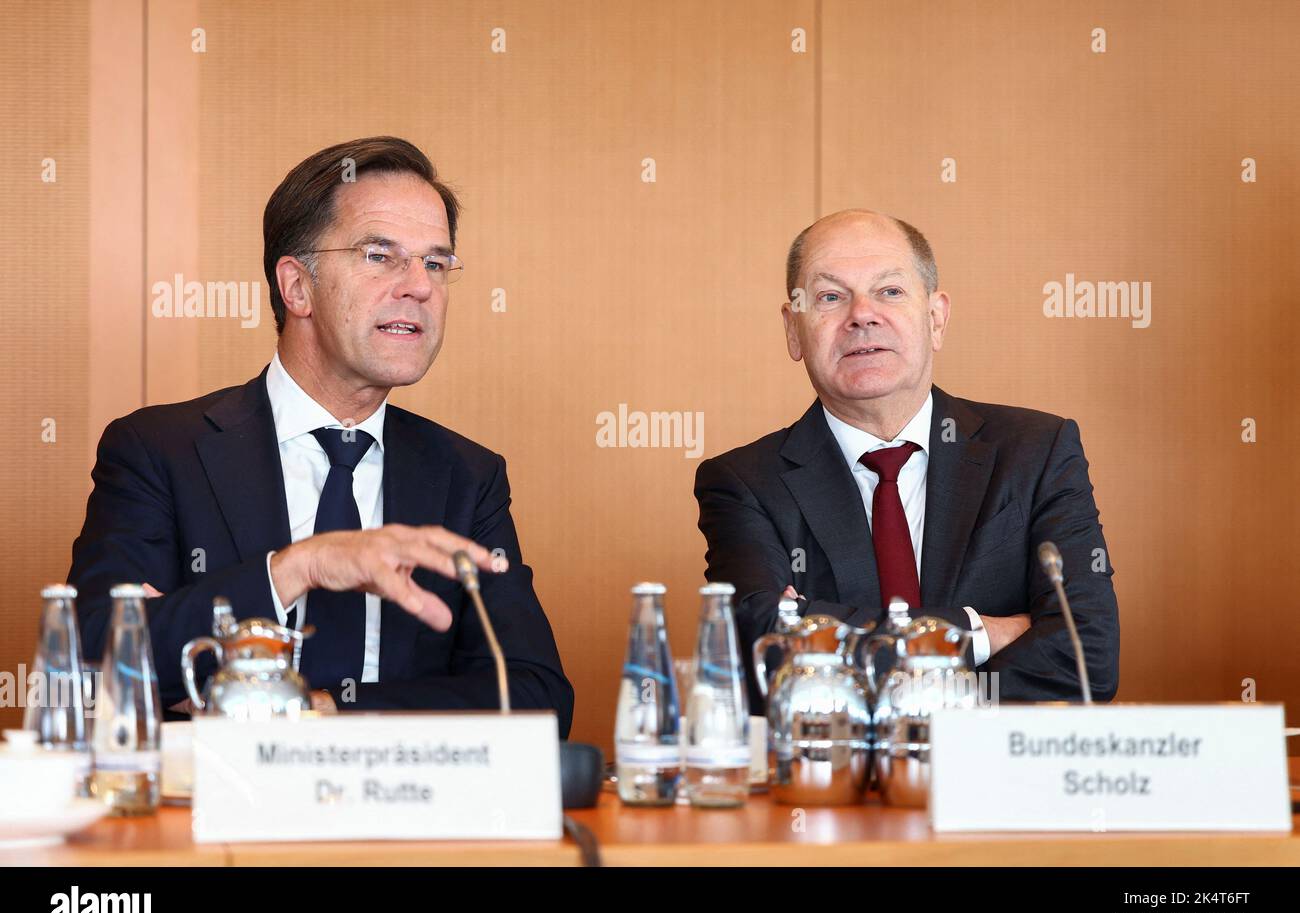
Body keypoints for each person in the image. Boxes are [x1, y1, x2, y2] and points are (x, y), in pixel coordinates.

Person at [69, 136, 573, 734]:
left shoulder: (467, 477)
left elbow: (534, 696)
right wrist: (295, 568)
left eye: (436, 263)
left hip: (399, 794)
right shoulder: (161, 450)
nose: (420, 286)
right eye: (380, 256)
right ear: (297, 286)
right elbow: (100, 659)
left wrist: (319, 712)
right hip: (214, 794)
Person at [695, 209, 1119, 711]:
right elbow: (761, 651)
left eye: (890, 291)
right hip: (830, 761)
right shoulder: (743, 484)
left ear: (936, 318)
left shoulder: (1037, 451)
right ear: (793, 330)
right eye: (830, 297)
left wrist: (836, 642)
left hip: (994, 759)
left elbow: (1087, 656)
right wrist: (978, 632)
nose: (862, 315)